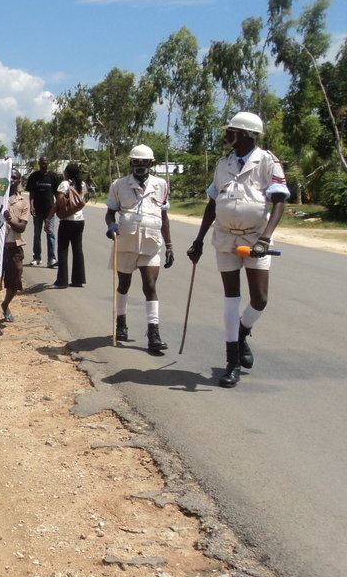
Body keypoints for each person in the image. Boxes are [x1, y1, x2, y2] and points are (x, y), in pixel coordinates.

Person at [187, 112, 289, 388]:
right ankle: (231, 361)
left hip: (255, 238)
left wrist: (266, 238)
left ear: (244, 133)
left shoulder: (267, 162)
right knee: (231, 297)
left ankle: (243, 331)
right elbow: (212, 203)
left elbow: (279, 200)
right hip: (225, 238)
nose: (225, 135)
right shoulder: (223, 164)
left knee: (260, 298)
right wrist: (198, 241)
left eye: (230, 131)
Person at [105, 145, 174, 354]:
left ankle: (154, 333)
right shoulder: (118, 185)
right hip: (126, 240)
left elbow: (164, 217)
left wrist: (169, 245)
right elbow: (110, 213)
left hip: (151, 243)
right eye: (136, 162)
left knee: (150, 285)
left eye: (144, 163)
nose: (140, 166)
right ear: (130, 163)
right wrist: (111, 225)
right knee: (124, 284)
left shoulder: (161, 184)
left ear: (151, 164)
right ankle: (121, 323)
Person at [1, 168, 29, 324]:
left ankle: (5, 304)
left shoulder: (23, 202)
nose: (11, 180)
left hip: (14, 246)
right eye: (9, 177)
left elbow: (22, 227)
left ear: (19, 181)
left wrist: (10, 220)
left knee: (15, 279)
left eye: (15, 178)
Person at [52, 163, 86, 289]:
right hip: (80, 220)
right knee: (78, 250)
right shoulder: (82, 184)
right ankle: (78, 280)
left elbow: (58, 203)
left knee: (63, 250)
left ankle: (62, 281)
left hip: (67, 220)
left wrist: (49, 218)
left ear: (67, 172)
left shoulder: (64, 184)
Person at [25, 156, 60, 268]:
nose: (43, 165)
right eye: (41, 163)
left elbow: (57, 194)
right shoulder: (34, 176)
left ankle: (51, 259)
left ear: (48, 163)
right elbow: (32, 193)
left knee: (50, 234)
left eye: (45, 163)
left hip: (49, 210)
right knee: (37, 234)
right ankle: (37, 257)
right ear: (39, 164)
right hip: (37, 210)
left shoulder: (53, 176)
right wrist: (31, 206)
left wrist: (58, 207)